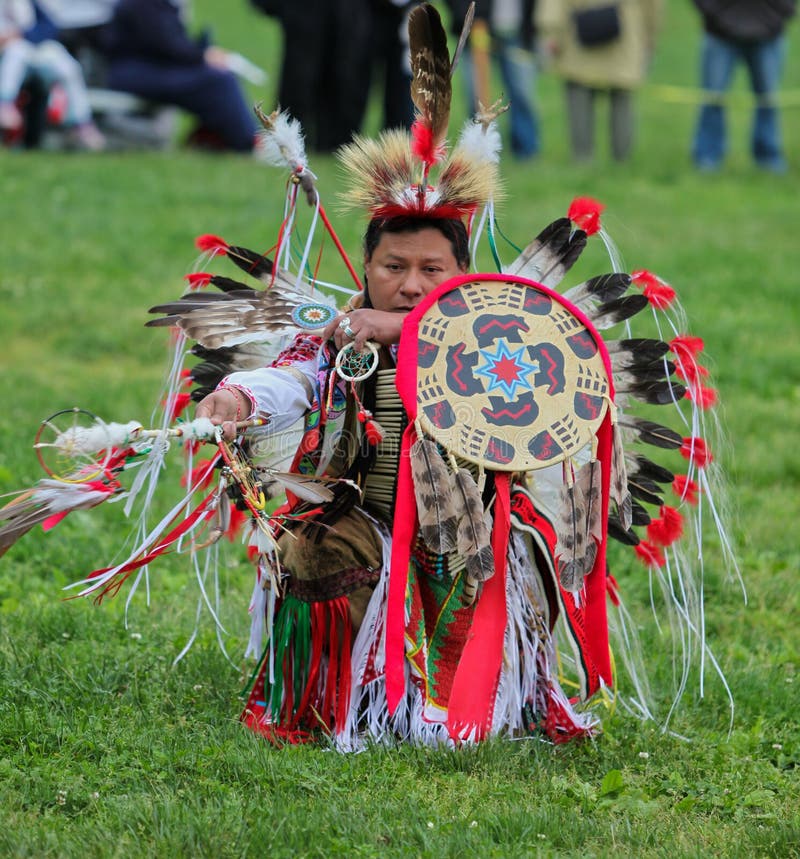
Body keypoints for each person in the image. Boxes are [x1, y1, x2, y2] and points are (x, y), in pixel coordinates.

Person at [102, 0, 261, 154]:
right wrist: (202, 56)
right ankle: (248, 140)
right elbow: (163, 44)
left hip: (150, 68)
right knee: (219, 80)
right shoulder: (142, 3)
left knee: (219, 75)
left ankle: (219, 135)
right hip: (135, 73)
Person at [536, 0, 662, 161]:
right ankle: (622, 161)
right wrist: (650, 35)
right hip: (626, 34)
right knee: (621, 98)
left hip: (577, 35)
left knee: (579, 95)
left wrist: (552, 33)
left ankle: (583, 159)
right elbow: (653, 6)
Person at [690, 0, 796, 173]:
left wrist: (775, 16)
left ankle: (769, 158)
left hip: (770, 33)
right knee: (713, 100)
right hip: (719, 33)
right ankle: (707, 158)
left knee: (768, 102)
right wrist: (717, 15)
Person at [0, 0, 105, 148]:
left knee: (64, 62)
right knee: (16, 51)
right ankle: (4, 104)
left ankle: (82, 123)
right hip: (7, 60)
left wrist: (21, 35)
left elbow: (49, 28)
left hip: (29, 53)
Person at [448, 0, 541, 159]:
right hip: (477, 27)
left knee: (522, 92)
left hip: (517, 28)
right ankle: (477, 151)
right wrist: (467, 14)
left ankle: (526, 151)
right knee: (476, 96)